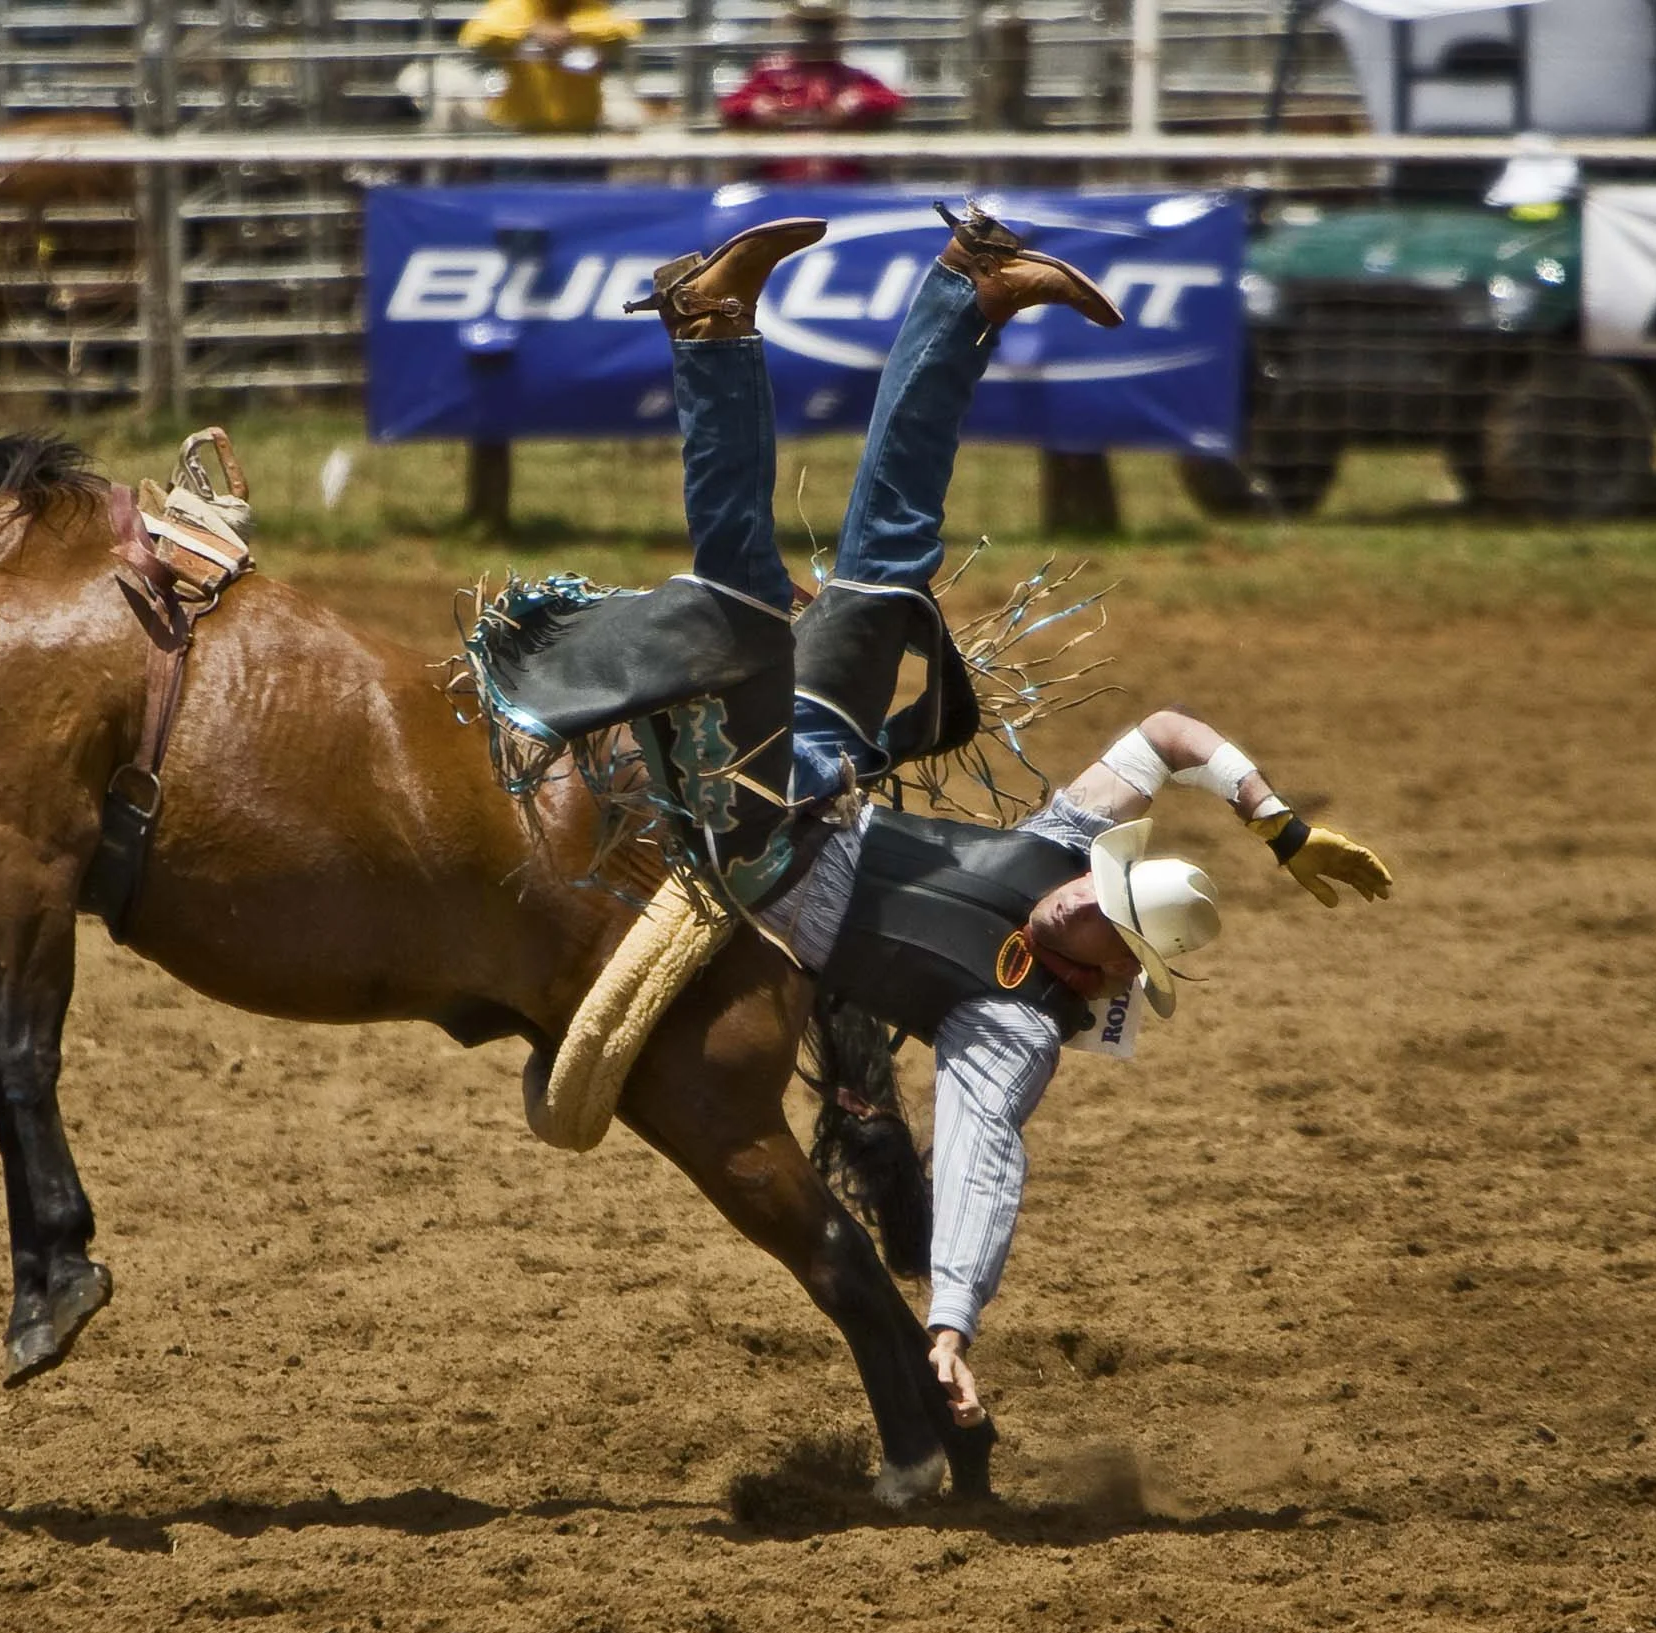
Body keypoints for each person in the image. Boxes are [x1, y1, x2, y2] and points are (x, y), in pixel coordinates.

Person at [467, 205, 1394, 1434]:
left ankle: (708, 324)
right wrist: (1276, 825)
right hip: (830, 754)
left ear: (1110, 965)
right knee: (892, 561)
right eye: (1104, 883)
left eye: (1103, 913)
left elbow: (979, 1172)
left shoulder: (1010, 1025)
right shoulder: (1064, 848)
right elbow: (1168, 735)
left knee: (742, 590)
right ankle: (967, 290)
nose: (1082, 892)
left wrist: (950, 1325)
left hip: (757, 835)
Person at [718, 0, 905, 183]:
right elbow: (731, 106)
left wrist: (856, 102)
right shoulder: (772, 74)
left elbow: (892, 102)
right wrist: (759, 108)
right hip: (778, 182)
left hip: (844, 182)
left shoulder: (851, 77)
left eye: (825, 28)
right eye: (808, 28)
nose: (816, 37)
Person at [457, 0, 642, 134]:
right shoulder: (516, 6)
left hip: (581, 129)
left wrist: (571, 30)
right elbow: (475, 35)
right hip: (522, 131)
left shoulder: (589, 6)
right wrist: (529, 30)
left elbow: (626, 30)